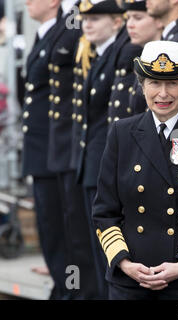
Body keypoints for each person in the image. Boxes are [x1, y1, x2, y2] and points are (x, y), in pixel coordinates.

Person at [92, 40, 178, 300]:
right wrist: (125, 264)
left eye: (173, 84)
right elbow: (104, 211)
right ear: (142, 85)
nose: (163, 94)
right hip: (131, 279)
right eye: (154, 83)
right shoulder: (121, 133)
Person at [46, 0, 99, 299]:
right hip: (69, 145)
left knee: (81, 236)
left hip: (78, 145)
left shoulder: (78, 16)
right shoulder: (68, 17)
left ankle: (81, 291)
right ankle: (73, 290)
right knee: (71, 234)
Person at [76, 0, 127, 299]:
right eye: (85, 19)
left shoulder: (117, 53)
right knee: (96, 249)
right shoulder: (100, 55)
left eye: (97, 18)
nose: (88, 24)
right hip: (91, 161)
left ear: (116, 22)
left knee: (108, 247)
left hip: (103, 163)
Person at [22, 0, 67, 300]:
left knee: (60, 229)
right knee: (49, 227)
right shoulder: (44, 35)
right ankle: (61, 284)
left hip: (54, 151)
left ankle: (68, 288)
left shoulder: (63, 35)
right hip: (40, 150)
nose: (26, 2)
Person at [124, 0, 163, 115]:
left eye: (138, 18)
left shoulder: (163, 60)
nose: (130, 24)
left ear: (159, 21)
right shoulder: (144, 55)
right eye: (128, 18)